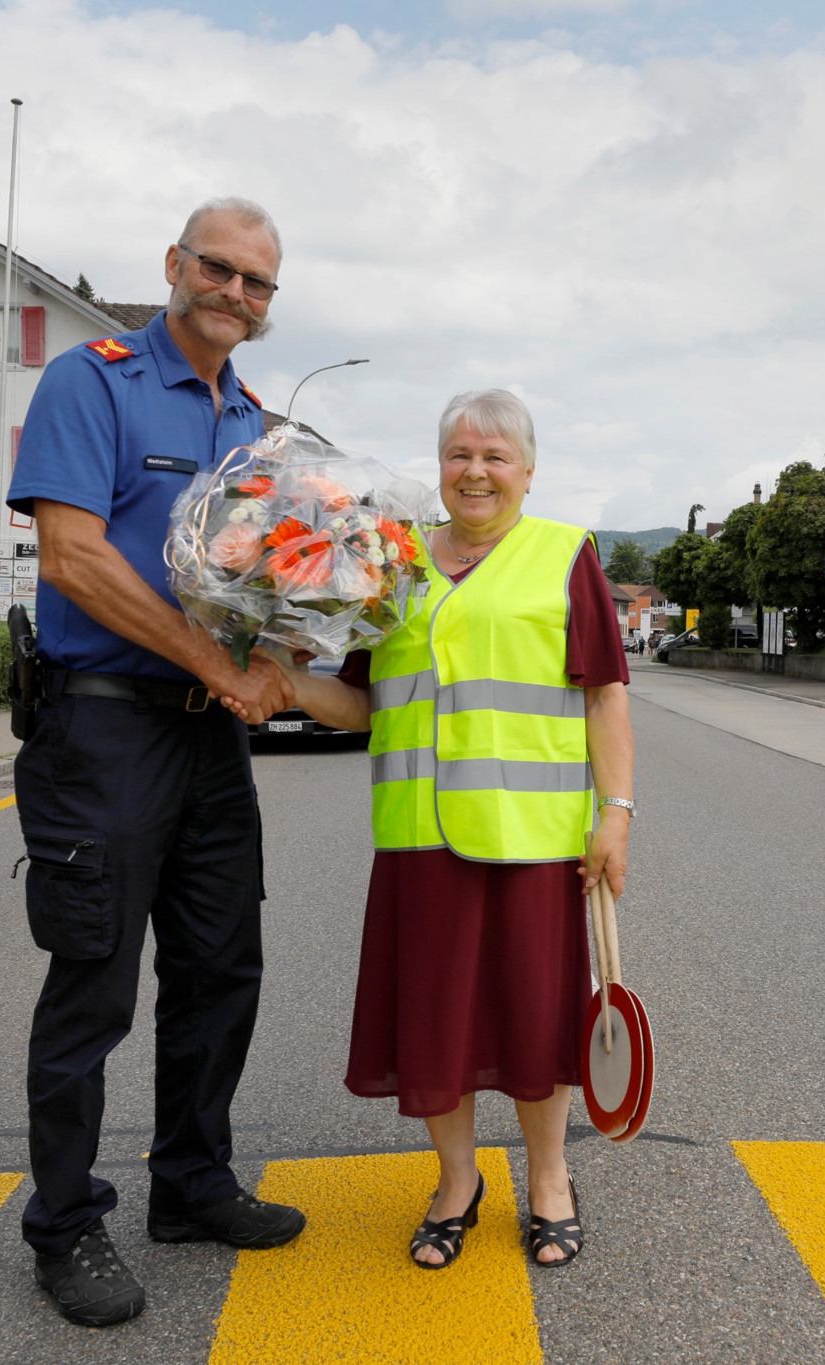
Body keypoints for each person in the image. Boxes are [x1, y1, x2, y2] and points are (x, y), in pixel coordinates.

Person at [5, 197, 306, 1329]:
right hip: (103, 727)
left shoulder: (256, 423)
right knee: (93, 980)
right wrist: (216, 664)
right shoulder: (95, 380)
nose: (235, 293)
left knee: (221, 966)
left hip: (207, 734)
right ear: (173, 264)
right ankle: (65, 1222)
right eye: (219, 270)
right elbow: (75, 559)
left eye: (258, 284)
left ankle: (190, 1184)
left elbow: (271, 582)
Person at [279, 389, 635, 1270]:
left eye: (495, 456)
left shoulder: (564, 556)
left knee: (536, 1013)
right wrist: (283, 683)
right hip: (418, 839)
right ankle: (457, 1182)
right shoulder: (390, 565)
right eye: (459, 455)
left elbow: (604, 693)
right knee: (436, 1019)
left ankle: (549, 1179)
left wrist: (616, 813)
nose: (476, 471)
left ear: (527, 470)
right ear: (439, 469)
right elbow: (360, 701)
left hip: (537, 839)